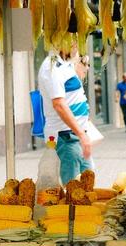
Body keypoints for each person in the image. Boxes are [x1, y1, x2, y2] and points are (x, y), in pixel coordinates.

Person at [38, 45, 94, 184]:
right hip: (66, 137)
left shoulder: (65, 63)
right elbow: (59, 104)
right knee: (73, 190)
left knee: (88, 184)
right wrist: (81, 134)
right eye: (74, 39)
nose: (77, 43)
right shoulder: (51, 66)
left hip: (77, 136)